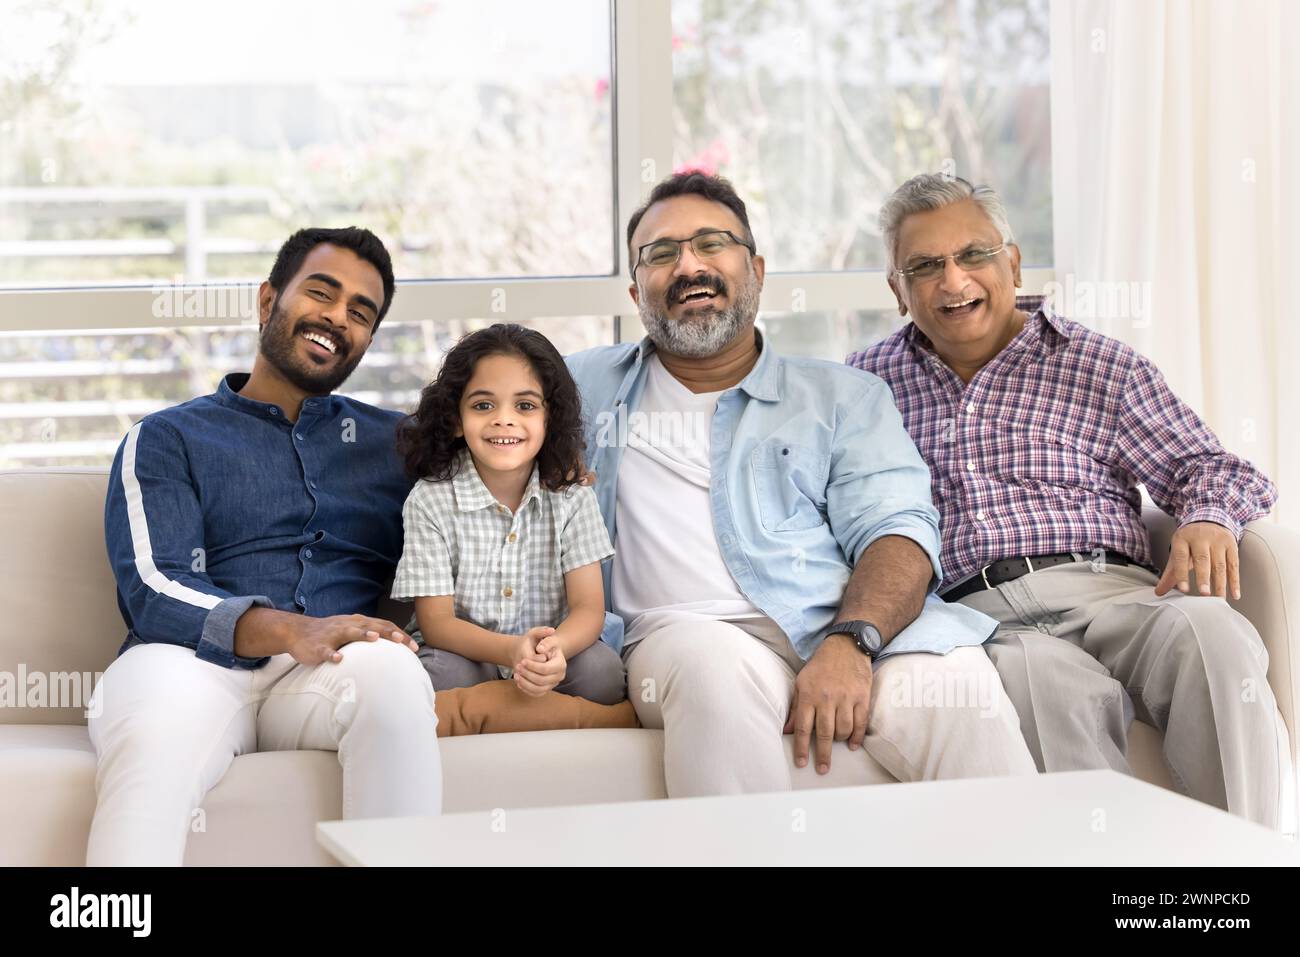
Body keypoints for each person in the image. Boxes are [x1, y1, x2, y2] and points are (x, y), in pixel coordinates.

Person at [565, 171, 1038, 797]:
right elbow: (463, 420)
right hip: (685, 636)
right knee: (714, 672)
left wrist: (852, 643)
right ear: (635, 289)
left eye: (712, 243)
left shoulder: (843, 396)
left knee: (957, 690)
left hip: (848, 625)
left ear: (756, 270)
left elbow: (897, 531)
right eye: (661, 253)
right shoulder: (573, 389)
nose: (688, 265)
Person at [849, 173, 1292, 828]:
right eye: (925, 266)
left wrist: (1206, 515)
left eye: (973, 254)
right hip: (981, 615)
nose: (954, 281)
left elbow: (1214, 466)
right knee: (1044, 684)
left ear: (1012, 261)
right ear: (897, 289)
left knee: (1213, 633)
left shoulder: (1100, 366)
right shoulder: (863, 384)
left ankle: (1242, 869)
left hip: (1113, 589)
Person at [89, 226, 442, 865]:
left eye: (361, 313)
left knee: (392, 674)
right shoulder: (167, 438)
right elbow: (152, 586)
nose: (338, 318)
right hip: (186, 665)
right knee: (154, 734)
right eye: (321, 293)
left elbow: (502, 474)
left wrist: (559, 471)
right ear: (266, 301)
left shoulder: (401, 446)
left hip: (327, 672)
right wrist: (283, 629)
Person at [392, 323, 625, 705]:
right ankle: (505, 702)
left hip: (552, 651)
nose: (504, 419)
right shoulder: (430, 500)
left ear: (550, 420)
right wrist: (510, 651)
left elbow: (588, 608)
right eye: (483, 405)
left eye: (526, 405)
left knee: (603, 673)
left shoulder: (572, 498)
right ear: (455, 419)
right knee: (438, 676)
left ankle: (516, 698)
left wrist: (554, 650)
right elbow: (437, 624)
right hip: (467, 655)